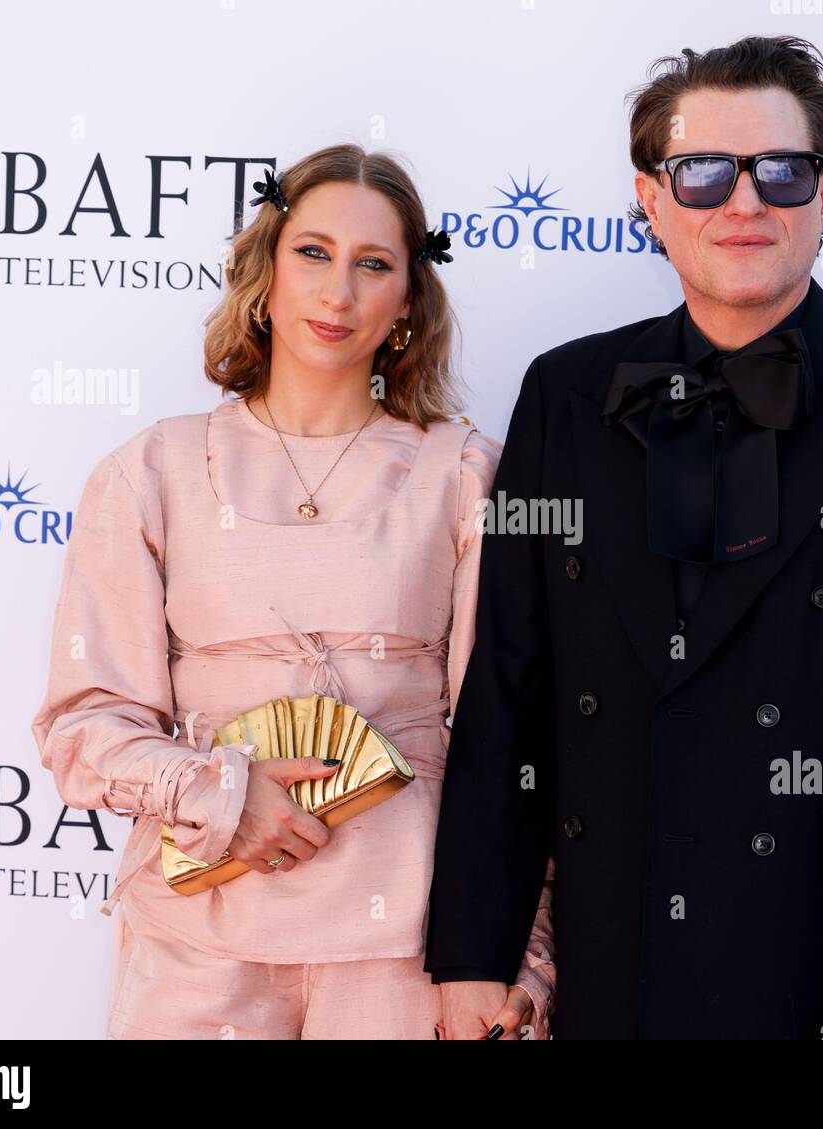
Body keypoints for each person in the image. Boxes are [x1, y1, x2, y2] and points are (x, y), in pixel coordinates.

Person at [425, 36, 823, 1039]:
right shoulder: (565, 393)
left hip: (812, 975)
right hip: (596, 966)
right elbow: (506, 695)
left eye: (781, 172)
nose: (745, 203)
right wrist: (475, 951)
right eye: (702, 174)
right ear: (651, 200)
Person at [32, 144, 554, 1040]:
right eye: (312, 252)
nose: (337, 292)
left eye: (374, 264)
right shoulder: (149, 471)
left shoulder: (465, 475)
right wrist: (223, 796)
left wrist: (526, 952)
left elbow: (516, 740)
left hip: (409, 940)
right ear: (265, 272)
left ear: (406, 303)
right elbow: (84, 725)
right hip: (198, 934)